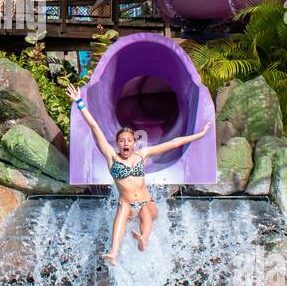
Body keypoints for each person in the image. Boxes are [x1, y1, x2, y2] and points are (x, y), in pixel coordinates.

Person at [65, 83, 210, 264]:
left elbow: (174, 143)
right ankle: (113, 252)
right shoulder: (112, 157)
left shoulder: (142, 154)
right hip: (127, 207)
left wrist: (200, 134)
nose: (125, 143)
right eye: (122, 141)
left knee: (144, 207)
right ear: (117, 143)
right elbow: (95, 127)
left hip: (147, 205)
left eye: (129, 140)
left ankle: (144, 238)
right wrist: (79, 101)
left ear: (134, 142)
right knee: (123, 206)